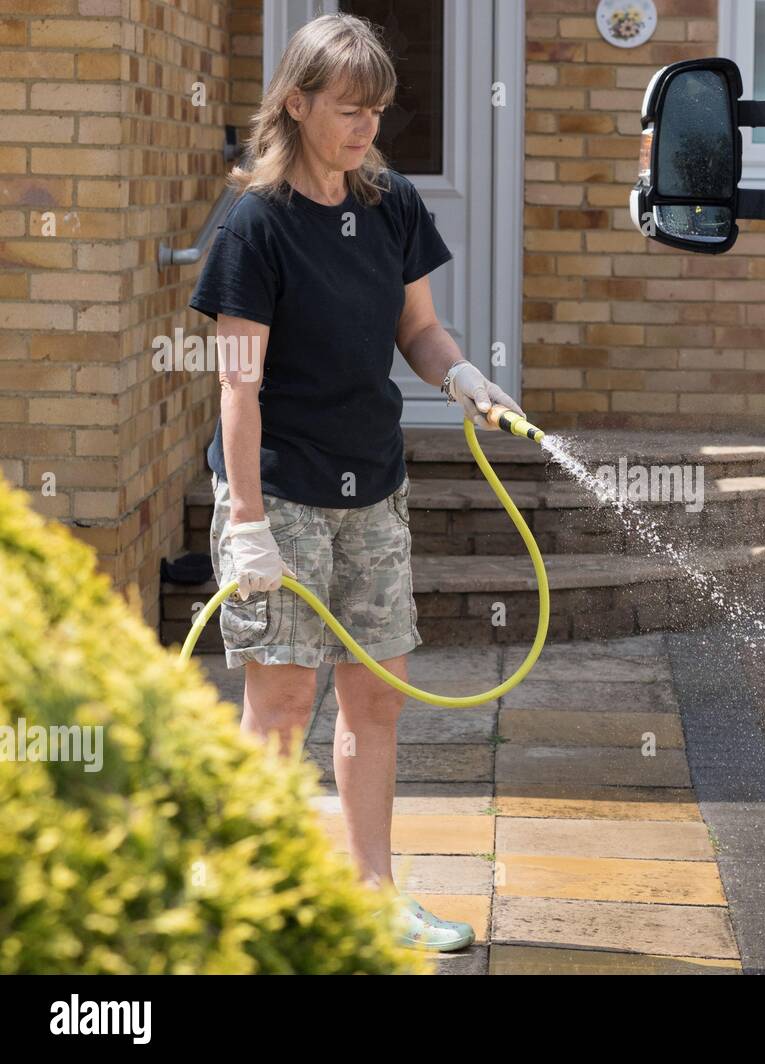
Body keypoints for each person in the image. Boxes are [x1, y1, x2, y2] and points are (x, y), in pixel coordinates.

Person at [188, 13, 522, 953]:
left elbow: (418, 330)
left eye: (377, 109)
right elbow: (235, 388)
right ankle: (250, 901)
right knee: (283, 703)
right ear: (296, 104)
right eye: (349, 108)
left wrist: (457, 373)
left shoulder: (390, 204)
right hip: (282, 491)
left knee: (375, 698)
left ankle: (374, 894)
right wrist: (246, 520)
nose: (368, 126)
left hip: (373, 486)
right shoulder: (253, 225)